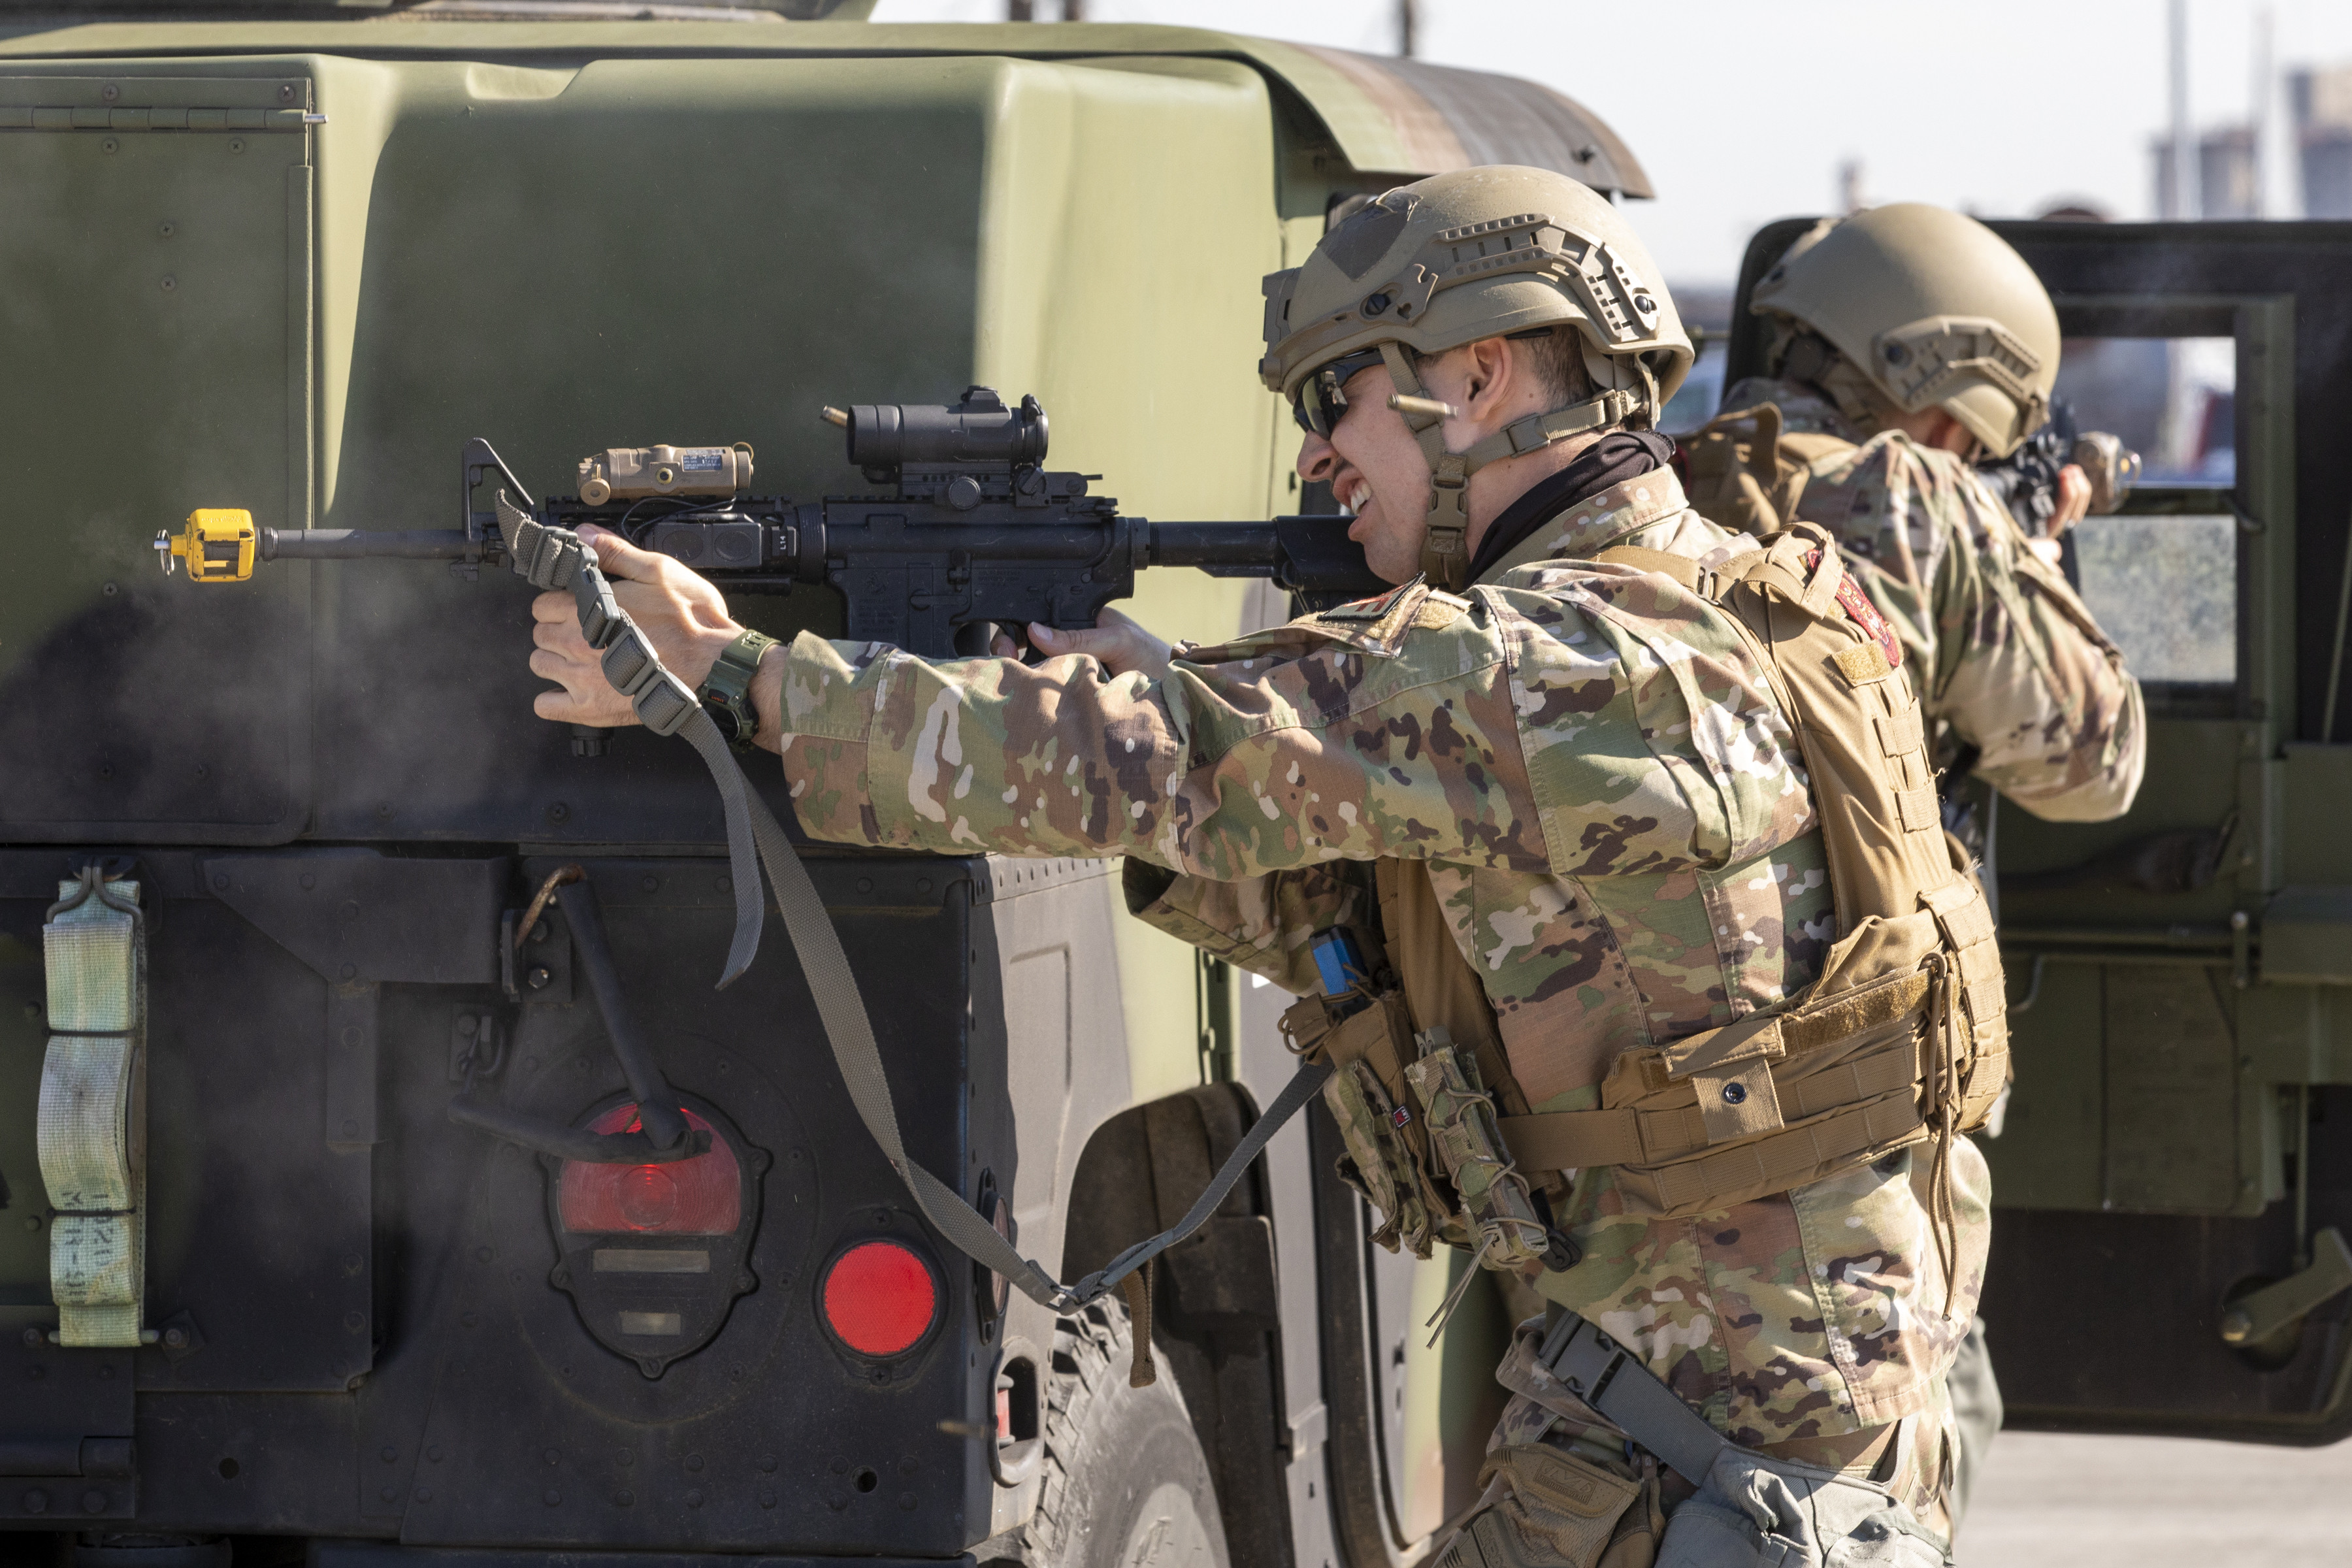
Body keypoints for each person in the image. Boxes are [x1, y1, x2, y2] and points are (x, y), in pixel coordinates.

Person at [527, 165, 1999, 1565]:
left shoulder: (1541, 666)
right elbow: (1433, 899)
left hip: (1701, 1457)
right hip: (1788, 1425)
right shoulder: (1738, 603)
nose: (1313, 456)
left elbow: (1167, 760)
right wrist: (1169, 728)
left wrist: (725, 676)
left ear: (1478, 376)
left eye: (1336, 395)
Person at [1701, 204, 2150, 1536]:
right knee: (1895, 1474)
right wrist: (2036, 557)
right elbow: (2092, 761)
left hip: (1647, 1090)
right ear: (1944, 404)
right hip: (1862, 1111)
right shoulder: (1922, 499)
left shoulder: (1655, 490)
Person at [1706, 203, 2145, 836]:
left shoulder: (1662, 468)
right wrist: (2028, 567)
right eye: (1974, 447)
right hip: (1854, 929)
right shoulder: (1920, 492)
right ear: (1949, 420)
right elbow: (2102, 769)